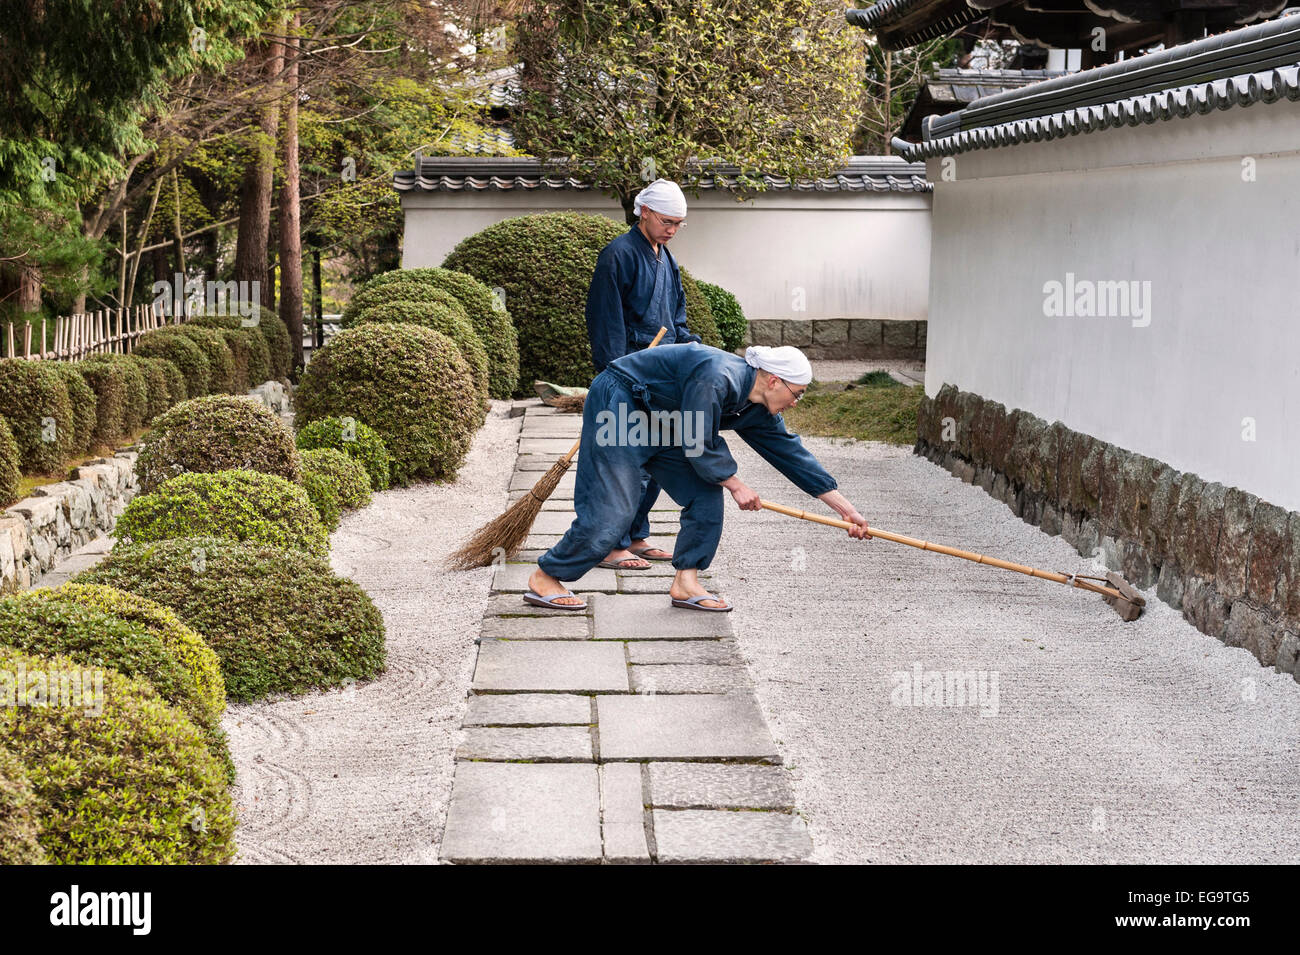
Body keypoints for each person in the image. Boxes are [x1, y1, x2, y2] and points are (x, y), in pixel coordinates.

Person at [524, 343, 872, 612]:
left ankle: (686, 582)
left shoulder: (758, 407)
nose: (796, 403)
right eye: (796, 394)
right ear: (774, 380)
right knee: (615, 509)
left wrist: (845, 510)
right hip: (621, 402)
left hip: (666, 421)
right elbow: (697, 441)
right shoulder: (716, 376)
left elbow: (792, 455)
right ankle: (547, 576)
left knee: (704, 495)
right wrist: (736, 483)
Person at [584, 178, 701, 571]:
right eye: (667, 220)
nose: (672, 229)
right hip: (629, 370)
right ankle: (609, 543)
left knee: (654, 459)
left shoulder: (665, 257)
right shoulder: (617, 255)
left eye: (679, 224)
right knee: (622, 462)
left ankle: (636, 534)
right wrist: (615, 375)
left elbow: (677, 315)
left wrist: (690, 349)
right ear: (644, 212)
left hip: (662, 372)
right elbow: (606, 322)